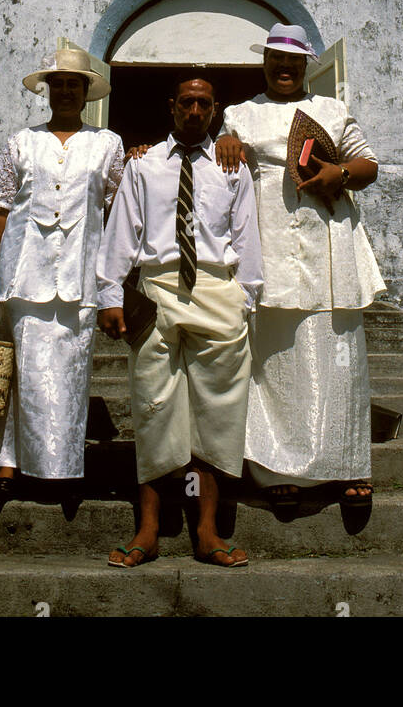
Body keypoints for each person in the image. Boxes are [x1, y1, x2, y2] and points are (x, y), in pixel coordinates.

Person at [214, 23, 384, 526]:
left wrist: (343, 174)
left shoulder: (332, 111)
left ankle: (349, 464)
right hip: (267, 239)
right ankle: (274, 467)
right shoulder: (239, 114)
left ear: (307, 65)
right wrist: (225, 143)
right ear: (264, 61)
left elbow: (369, 164)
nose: (284, 69)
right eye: (275, 60)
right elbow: (223, 164)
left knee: (336, 353)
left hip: (329, 239)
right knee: (274, 355)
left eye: (293, 62)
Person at [97, 73, 263, 568]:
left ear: (215, 112)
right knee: (153, 405)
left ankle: (207, 531)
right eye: (187, 103)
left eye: (204, 105)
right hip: (159, 288)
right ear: (172, 107)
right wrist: (109, 293)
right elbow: (122, 231)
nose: (195, 111)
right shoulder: (143, 165)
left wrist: (245, 299)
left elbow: (247, 238)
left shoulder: (232, 167)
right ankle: (148, 528)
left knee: (219, 412)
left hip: (216, 288)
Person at [0, 45, 125, 512]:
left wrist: (114, 282)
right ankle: (6, 464)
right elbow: (1, 207)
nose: (65, 91)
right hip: (24, 272)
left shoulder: (107, 144)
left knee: (70, 372)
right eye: (57, 83)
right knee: (19, 369)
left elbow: (121, 210)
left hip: (79, 276)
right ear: (47, 90)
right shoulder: (22, 141)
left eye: (73, 84)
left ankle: (63, 467)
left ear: (85, 93)